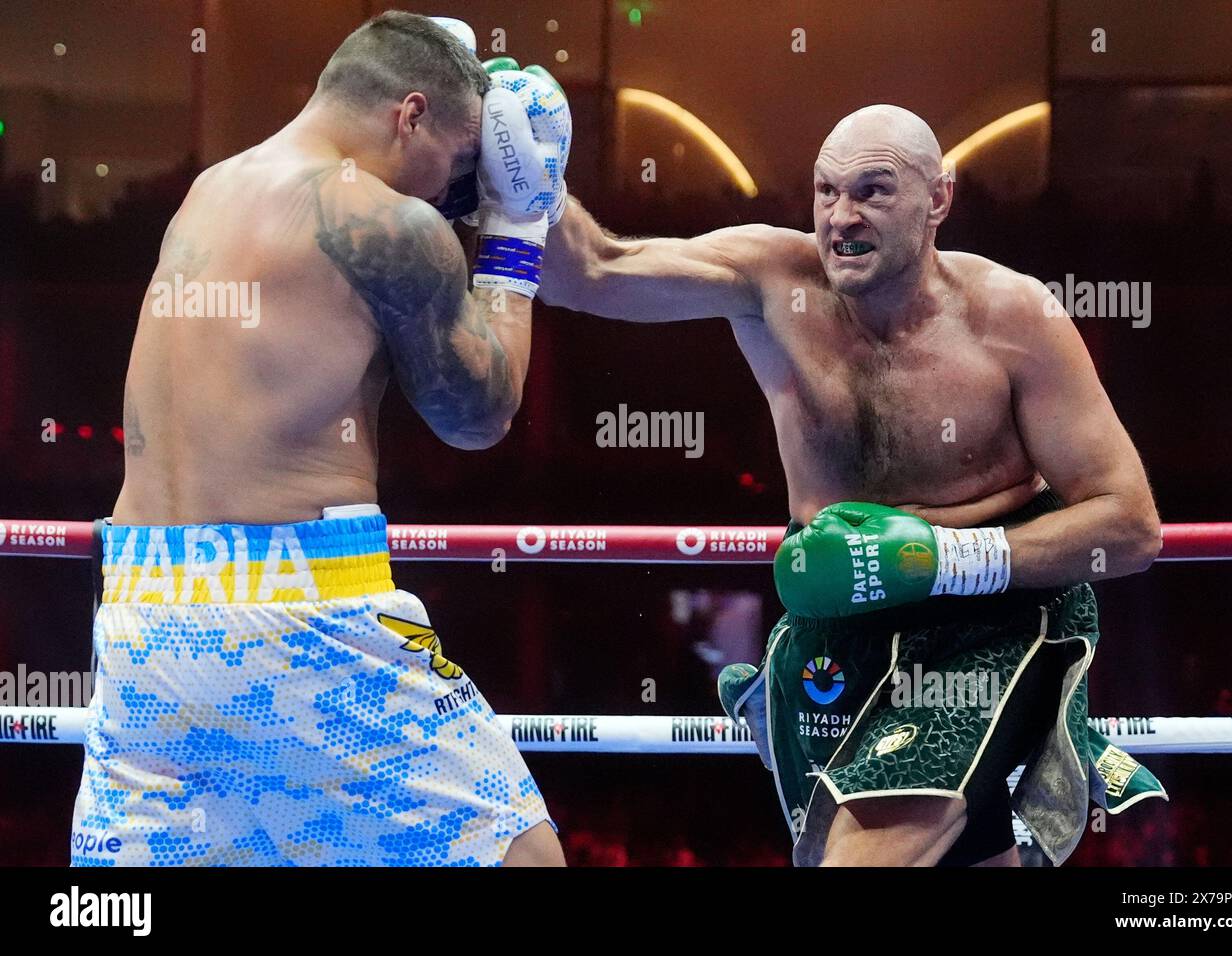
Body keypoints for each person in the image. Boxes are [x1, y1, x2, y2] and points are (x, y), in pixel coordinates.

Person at [538, 104, 1167, 866]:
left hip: (991, 623)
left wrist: (945, 558)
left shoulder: (1011, 315)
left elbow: (1130, 526)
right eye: (826, 191)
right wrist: (529, 169)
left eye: (872, 191)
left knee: (868, 851)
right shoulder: (773, 281)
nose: (841, 217)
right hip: (840, 623)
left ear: (938, 198)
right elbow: (589, 273)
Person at [70, 12, 568, 866]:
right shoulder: (384, 224)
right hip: (297, 607)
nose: (449, 195)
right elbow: (479, 415)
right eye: (454, 164)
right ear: (409, 115)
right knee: (520, 854)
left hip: (141, 621)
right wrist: (518, 233)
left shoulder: (210, 188)